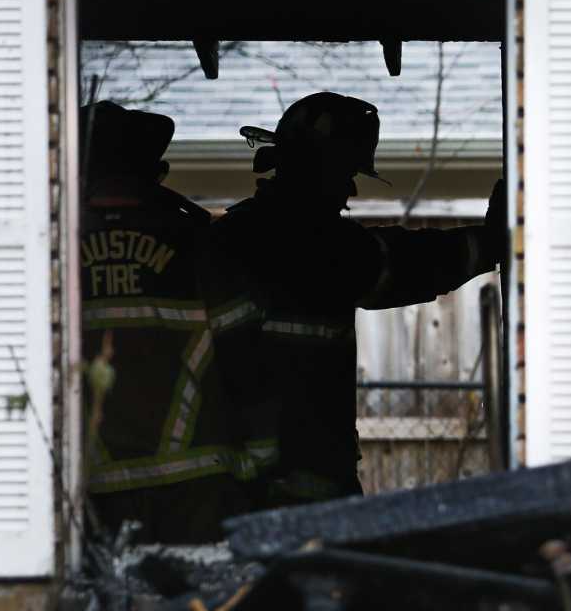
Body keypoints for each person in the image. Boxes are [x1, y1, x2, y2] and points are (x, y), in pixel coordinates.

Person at [211, 91, 506, 506]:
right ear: (318, 169)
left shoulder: (226, 238)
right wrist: (492, 242)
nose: (350, 188)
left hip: (231, 487)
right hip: (304, 488)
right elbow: (407, 263)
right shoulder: (318, 247)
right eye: (345, 173)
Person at [78, 101, 259, 542]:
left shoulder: (51, 250)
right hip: (195, 494)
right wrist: (261, 471)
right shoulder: (204, 247)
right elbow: (251, 361)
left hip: (92, 490)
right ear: (155, 174)